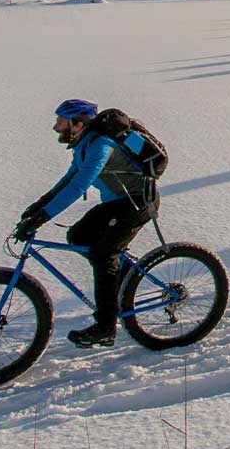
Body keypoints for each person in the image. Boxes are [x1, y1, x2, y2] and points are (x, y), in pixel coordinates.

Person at [15, 99, 168, 348]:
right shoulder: (84, 144)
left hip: (136, 205)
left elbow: (79, 186)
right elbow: (68, 179)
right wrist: (36, 208)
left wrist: (43, 218)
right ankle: (127, 280)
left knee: (103, 254)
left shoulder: (101, 145)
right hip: (117, 203)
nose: (56, 128)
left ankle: (105, 327)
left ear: (78, 124)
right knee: (78, 236)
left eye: (61, 122)